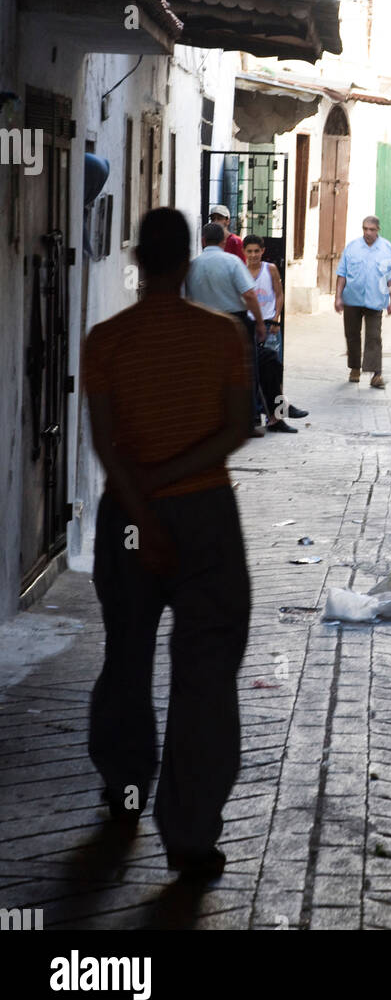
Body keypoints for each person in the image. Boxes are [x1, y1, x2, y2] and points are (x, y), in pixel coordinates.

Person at [83, 208, 251, 881]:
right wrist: (175, 479)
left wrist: (142, 503)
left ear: (139, 261)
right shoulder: (223, 337)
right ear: (186, 264)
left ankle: (125, 787)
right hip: (206, 515)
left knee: (127, 653)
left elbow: (102, 440)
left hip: (126, 514)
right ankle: (189, 835)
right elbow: (236, 429)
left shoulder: (106, 340)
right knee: (207, 677)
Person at [186, 223, 267, 435]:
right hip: (234, 321)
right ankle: (247, 422)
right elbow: (249, 295)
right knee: (244, 370)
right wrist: (259, 323)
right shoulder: (232, 262)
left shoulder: (192, 266)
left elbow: (186, 298)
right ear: (223, 241)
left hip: (203, 322)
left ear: (203, 241)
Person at [242, 234, 308, 434]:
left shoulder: (269, 269)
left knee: (274, 371)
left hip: (269, 326)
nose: (253, 255)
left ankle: (278, 413)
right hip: (250, 325)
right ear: (244, 252)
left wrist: (276, 318)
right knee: (254, 373)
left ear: (263, 251)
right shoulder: (241, 271)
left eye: (257, 251)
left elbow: (278, 294)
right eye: (249, 251)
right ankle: (263, 414)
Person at [334, 215, 391, 388]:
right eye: (365, 229)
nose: (367, 233)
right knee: (352, 335)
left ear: (378, 230)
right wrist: (338, 297)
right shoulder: (352, 247)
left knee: (374, 336)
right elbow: (342, 273)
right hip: (352, 299)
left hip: (375, 300)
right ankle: (355, 368)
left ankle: (376, 374)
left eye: (371, 229)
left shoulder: (386, 248)